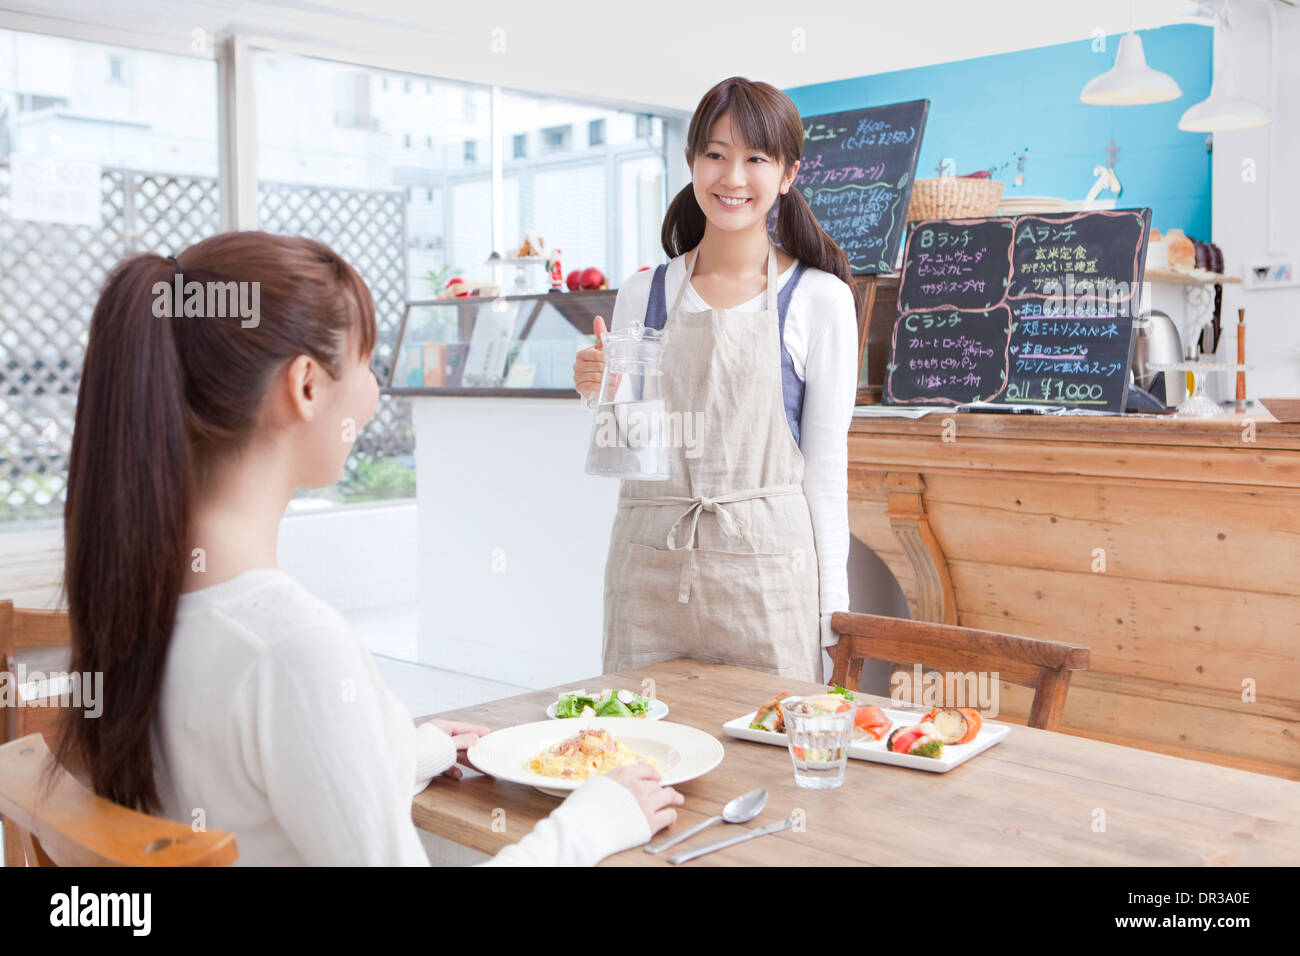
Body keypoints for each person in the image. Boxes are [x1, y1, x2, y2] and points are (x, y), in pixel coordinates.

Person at [54, 231, 682, 865]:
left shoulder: (136, 605)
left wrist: (399, 749)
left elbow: (252, 784)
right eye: (367, 364)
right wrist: (593, 823)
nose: (376, 393)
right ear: (305, 386)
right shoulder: (293, 648)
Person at [574, 77, 860, 683]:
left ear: (787, 174)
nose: (733, 177)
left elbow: (827, 472)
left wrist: (834, 616)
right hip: (650, 571)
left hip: (769, 580)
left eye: (756, 157)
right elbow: (629, 454)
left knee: (768, 759)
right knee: (643, 755)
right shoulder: (642, 292)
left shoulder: (819, 299)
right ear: (691, 163)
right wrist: (602, 393)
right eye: (716, 154)